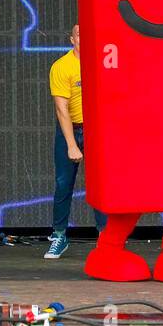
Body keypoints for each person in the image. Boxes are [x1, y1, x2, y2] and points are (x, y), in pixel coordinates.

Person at [46, 24, 107, 258]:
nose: (83, 38)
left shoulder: (103, 63)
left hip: (97, 130)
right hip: (70, 129)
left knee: (101, 185)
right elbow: (61, 109)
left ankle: (106, 239)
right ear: (72, 39)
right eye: (79, 34)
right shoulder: (62, 66)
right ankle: (59, 235)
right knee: (63, 183)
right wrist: (72, 144)